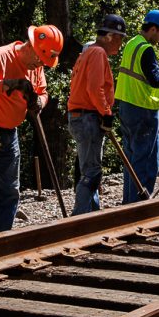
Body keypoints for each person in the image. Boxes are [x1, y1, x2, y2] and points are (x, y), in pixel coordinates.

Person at [0, 24, 61, 236]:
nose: (40, 65)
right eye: (41, 60)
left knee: (9, 193)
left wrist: (40, 103)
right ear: (34, 48)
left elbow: (43, 92)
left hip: (9, 133)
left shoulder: (37, 66)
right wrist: (5, 84)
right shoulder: (0, 57)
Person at [114, 10, 159, 203]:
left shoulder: (131, 43)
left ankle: (128, 202)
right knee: (145, 161)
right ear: (153, 29)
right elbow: (154, 80)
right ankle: (139, 204)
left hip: (126, 106)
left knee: (131, 159)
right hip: (143, 108)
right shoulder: (146, 49)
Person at [68, 14, 126, 213]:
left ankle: (92, 215)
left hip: (82, 116)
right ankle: (79, 221)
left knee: (90, 171)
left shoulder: (87, 52)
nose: (120, 45)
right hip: (88, 117)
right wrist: (106, 112)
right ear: (110, 36)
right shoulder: (98, 53)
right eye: (120, 39)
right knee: (91, 172)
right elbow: (94, 88)